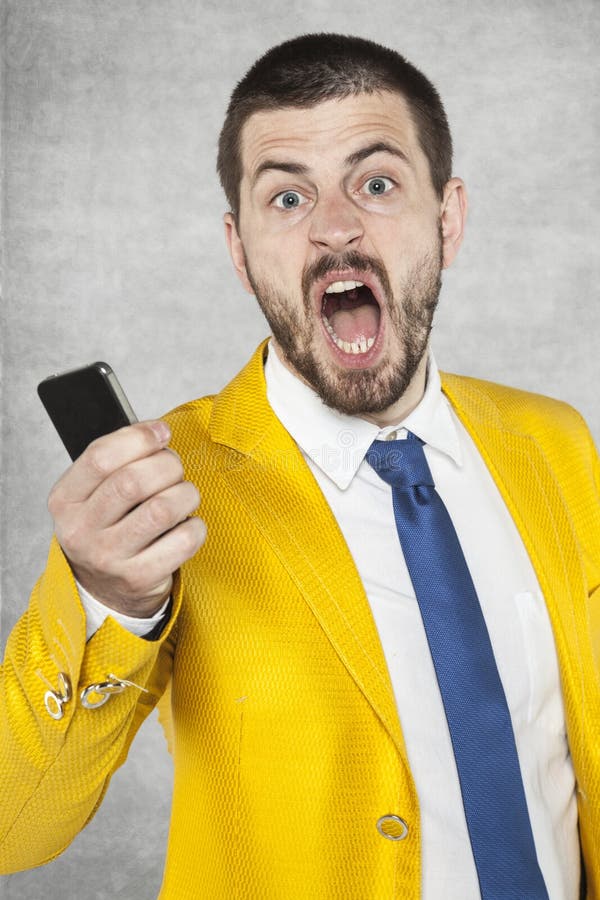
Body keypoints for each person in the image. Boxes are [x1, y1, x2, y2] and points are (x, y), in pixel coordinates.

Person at [1, 33, 598, 899]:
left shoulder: (555, 440)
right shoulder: (156, 496)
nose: (335, 226)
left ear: (449, 217)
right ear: (240, 251)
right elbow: (15, 826)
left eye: (378, 182)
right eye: (287, 196)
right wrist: (110, 599)